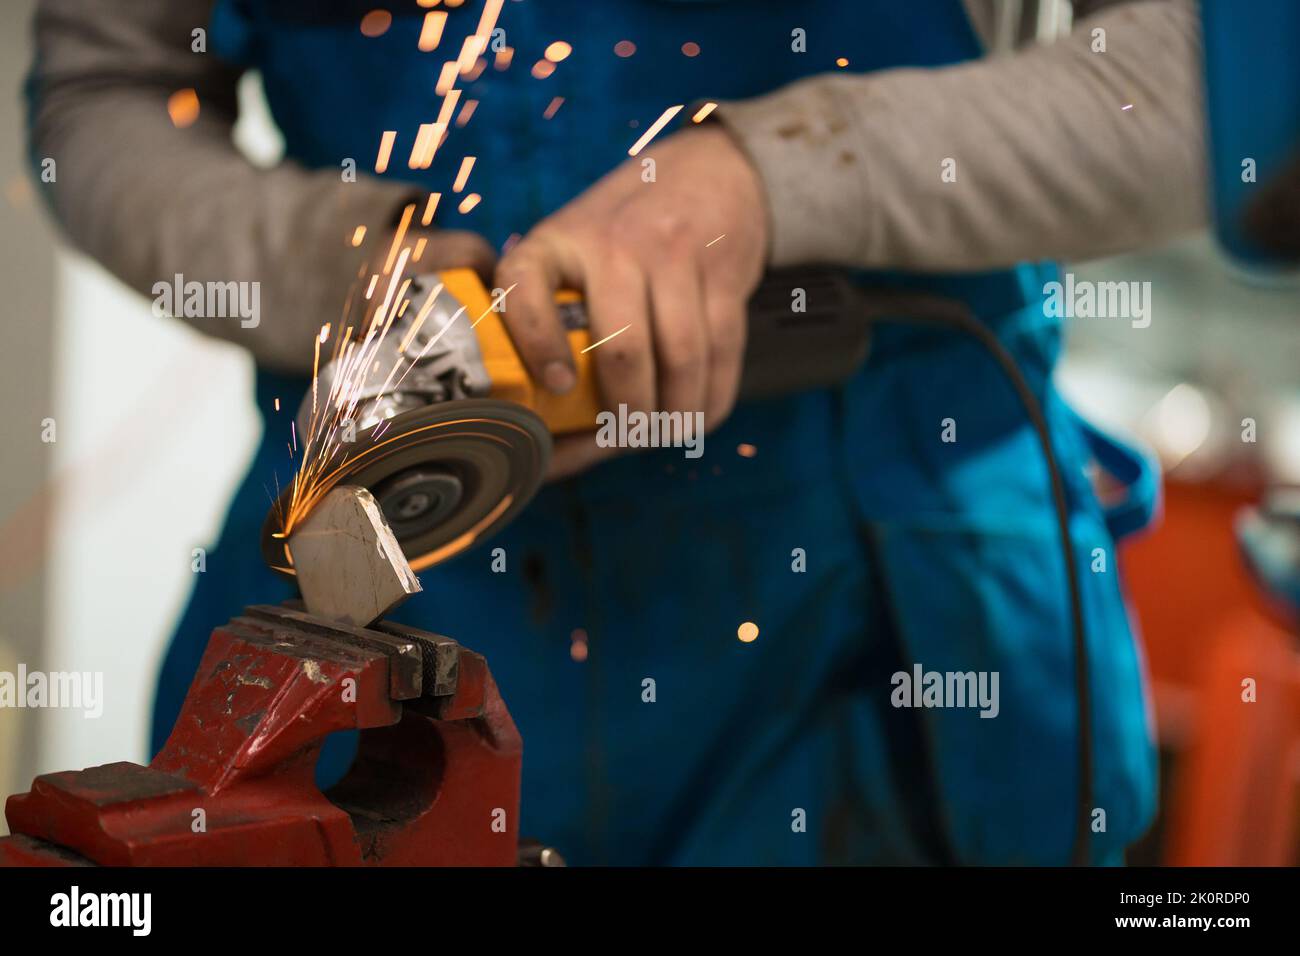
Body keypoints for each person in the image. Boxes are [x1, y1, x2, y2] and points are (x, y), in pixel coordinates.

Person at [27, 0, 1206, 865]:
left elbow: (1207, 74)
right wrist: (337, 261)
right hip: (386, 570)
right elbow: (98, 92)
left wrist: (777, 176)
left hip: (875, 608)